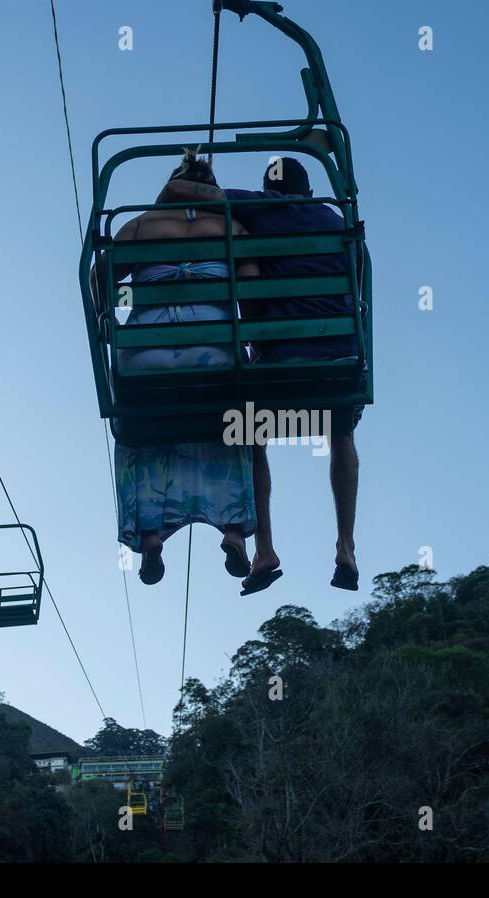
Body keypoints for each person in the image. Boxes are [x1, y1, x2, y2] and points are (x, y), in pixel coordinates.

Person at [162, 156, 364, 592]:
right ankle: (346, 544)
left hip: (283, 366)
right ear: (308, 192)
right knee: (339, 433)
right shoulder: (334, 218)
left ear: (270, 189)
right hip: (339, 360)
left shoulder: (258, 208)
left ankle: (265, 548)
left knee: (252, 435)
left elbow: (179, 193)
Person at [95, 151, 260, 585]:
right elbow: (256, 292)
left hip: (143, 356)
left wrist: (132, 306)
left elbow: (102, 283)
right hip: (214, 355)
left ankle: (152, 537)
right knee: (232, 425)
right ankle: (234, 533)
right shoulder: (231, 227)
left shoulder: (138, 225)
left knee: (143, 430)